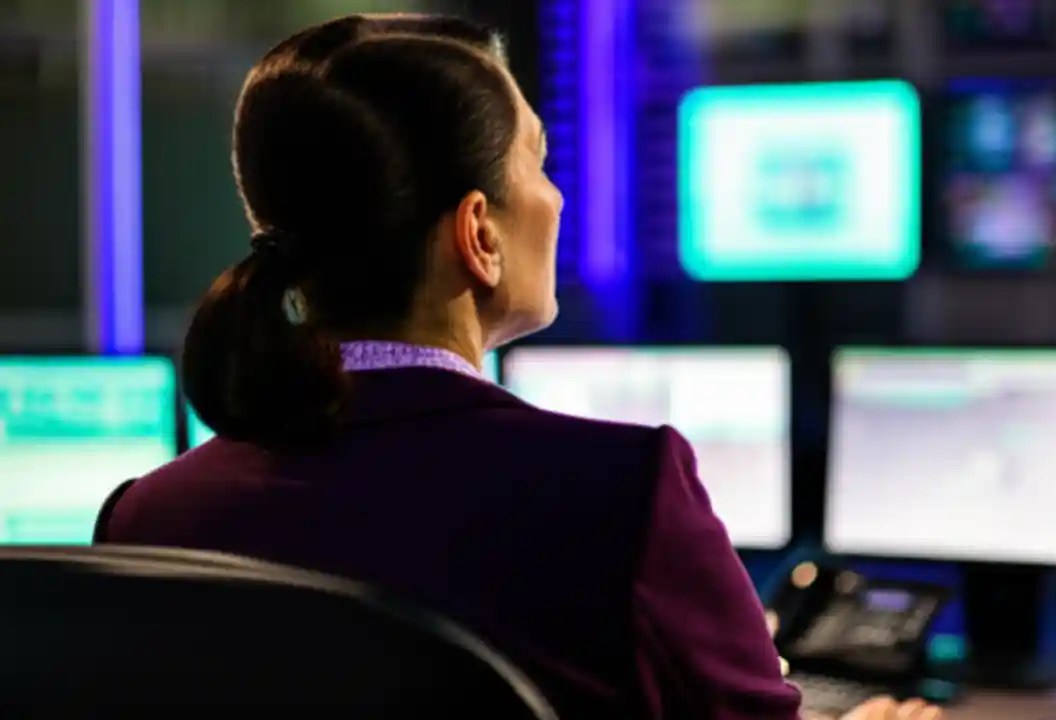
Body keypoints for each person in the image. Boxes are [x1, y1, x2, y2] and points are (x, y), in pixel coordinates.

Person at [95, 14, 940, 720]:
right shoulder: (623, 492)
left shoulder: (145, 522)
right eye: (537, 162)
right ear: (480, 234)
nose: (560, 197)